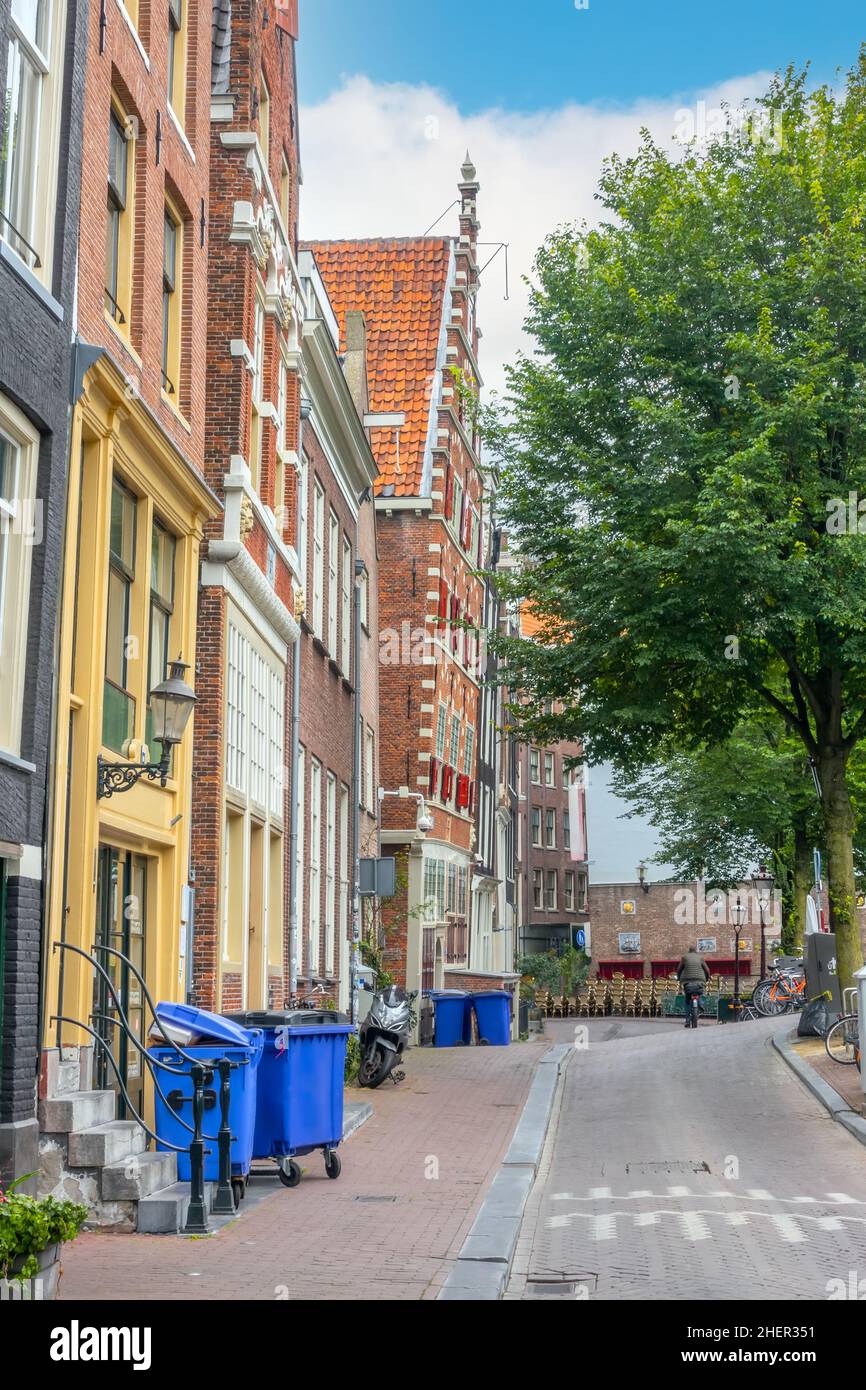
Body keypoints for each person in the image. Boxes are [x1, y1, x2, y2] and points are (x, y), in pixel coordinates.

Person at [676, 946, 710, 1029]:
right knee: (700, 994)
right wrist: (707, 978)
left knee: (687, 1000)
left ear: (689, 951)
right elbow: (707, 970)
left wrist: (678, 978)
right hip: (699, 981)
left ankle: (687, 1020)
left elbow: (679, 969)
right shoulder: (700, 958)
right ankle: (701, 1005)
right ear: (696, 951)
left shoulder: (684, 957)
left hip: (687, 982)